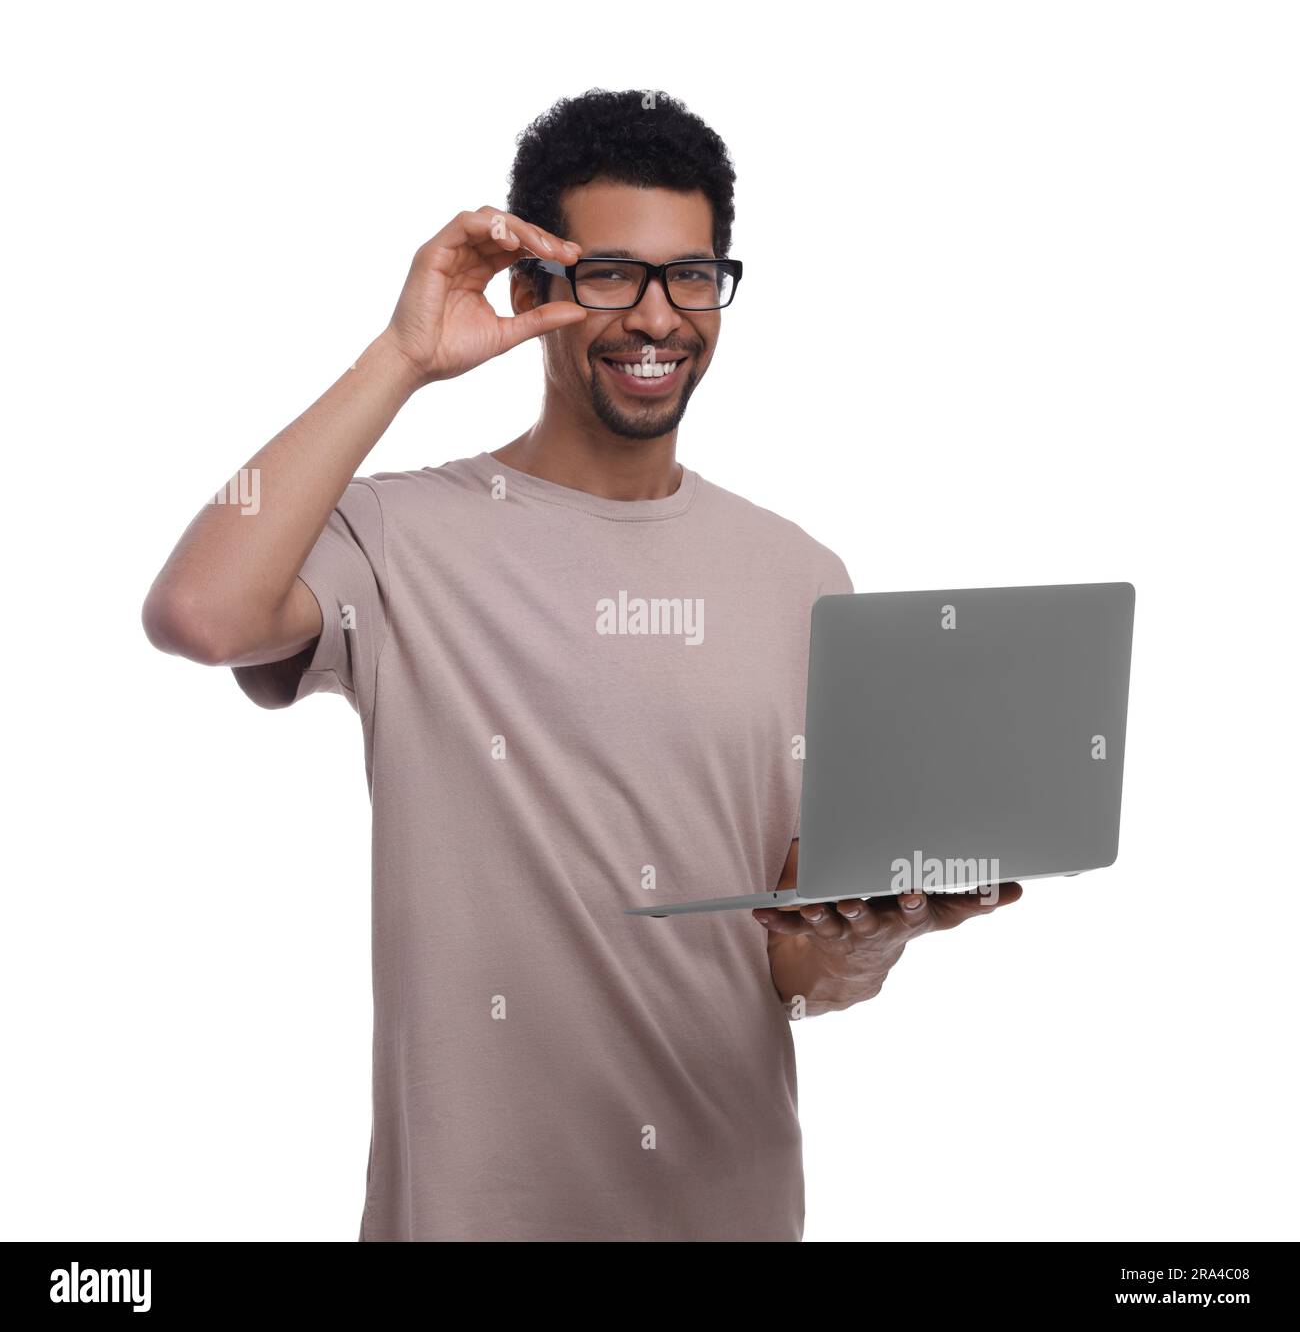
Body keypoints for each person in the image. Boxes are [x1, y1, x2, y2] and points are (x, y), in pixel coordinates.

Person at [142, 88, 1020, 1242]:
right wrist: (403, 353)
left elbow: (791, 967)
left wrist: (869, 941)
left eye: (691, 276)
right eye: (610, 273)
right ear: (530, 294)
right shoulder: (401, 535)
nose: (657, 318)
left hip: (732, 1209)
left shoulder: (802, 573)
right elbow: (201, 611)